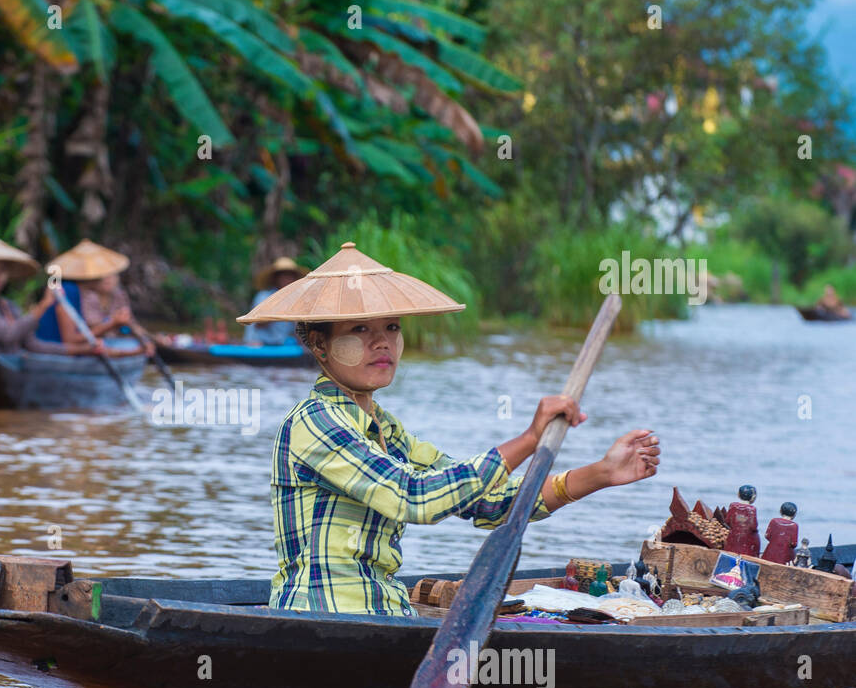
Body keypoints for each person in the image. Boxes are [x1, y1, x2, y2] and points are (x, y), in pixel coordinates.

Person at [237, 241, 662, 617]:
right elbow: (414, 497)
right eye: (360, 330)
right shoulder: (315, 422)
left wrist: (601, 473)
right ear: (319, 345)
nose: (382, 342)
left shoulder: (386, 429)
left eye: (392, 328)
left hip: (385, 609)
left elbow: (490, 502)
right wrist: (529, 440)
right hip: (326, 614)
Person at [33, 239, 151, 357]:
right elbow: (70, 340)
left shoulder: (78, 293)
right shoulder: (68, 291)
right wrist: (111, 324)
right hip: (52, 351)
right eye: (106, 276)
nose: (110, 280)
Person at [243, 257, 306, 346]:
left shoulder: (294, 299)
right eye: (284, 276)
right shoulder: (264, 296)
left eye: (290, 276)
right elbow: (258, 323)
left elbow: (298, 330)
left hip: (279, 345)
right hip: (258, 344)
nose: (288, 279)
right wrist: (283, 308)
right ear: (276, 278)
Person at [724, 485, 760, 557]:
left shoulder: (733, 506)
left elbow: (727, 521)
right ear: (753, 497)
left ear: (738, 495)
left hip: (733, 536)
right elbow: (753, 527)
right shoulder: (752, 509)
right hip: (747, 539)